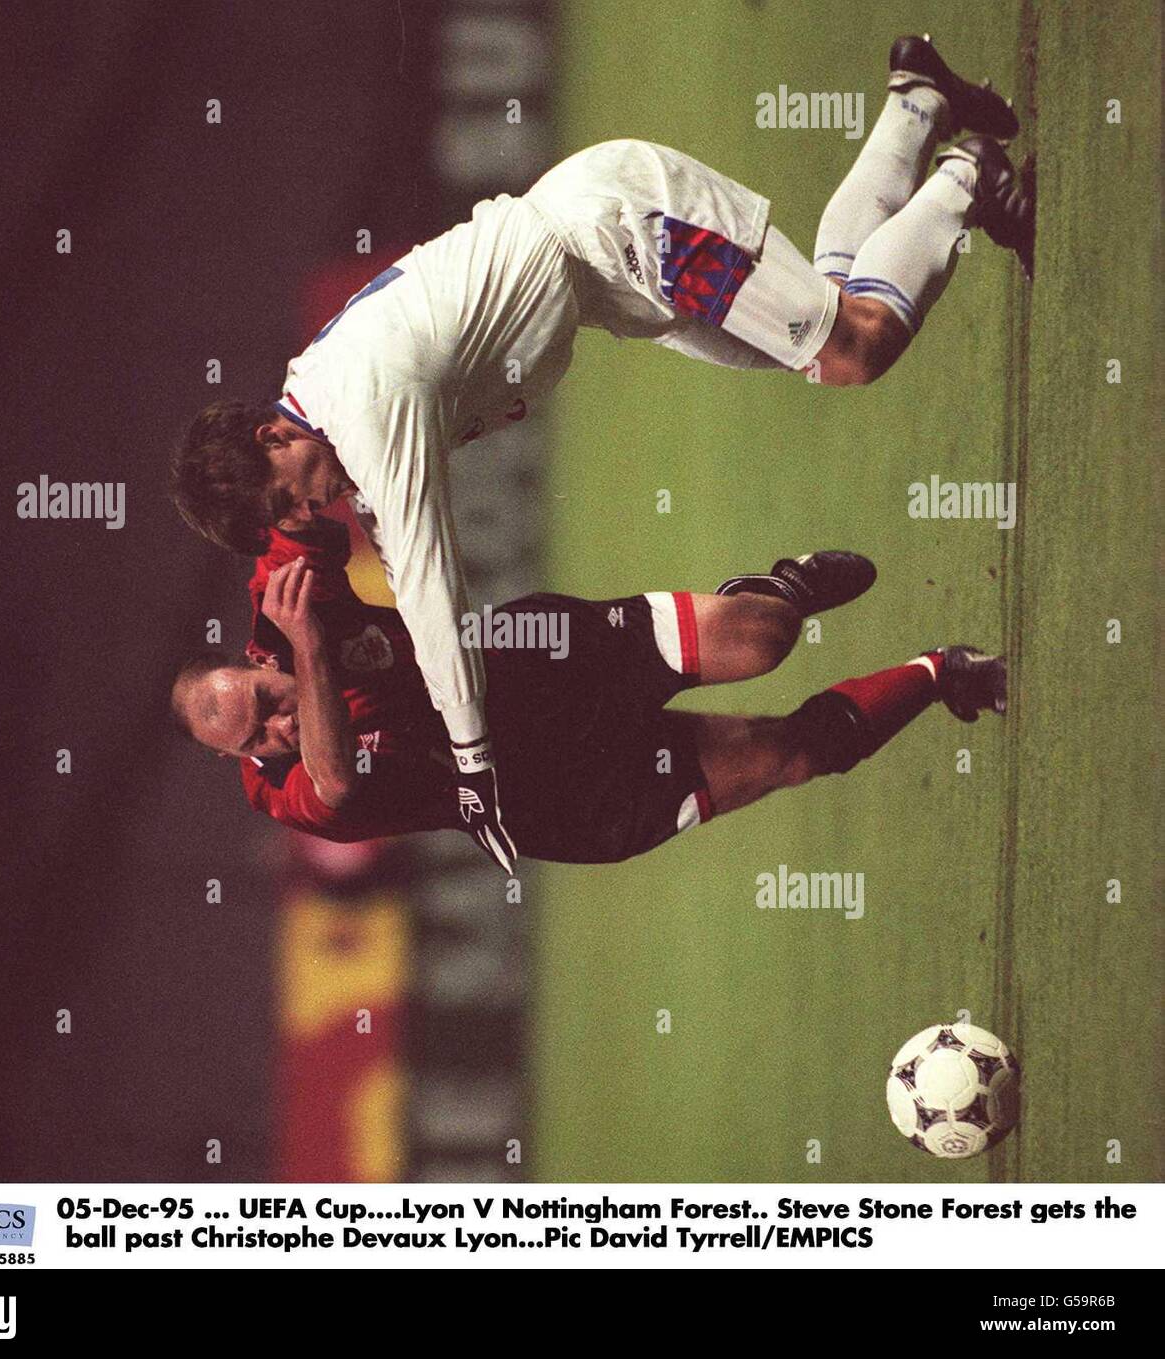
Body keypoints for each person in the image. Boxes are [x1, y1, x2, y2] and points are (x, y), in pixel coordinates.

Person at [170, 36, 1031, 870]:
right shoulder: (316, 414)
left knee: (851, 348)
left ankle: (966, 176)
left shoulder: (362, 412)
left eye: (288, 496)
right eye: (285, 518)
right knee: (833, 328)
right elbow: (334, 768)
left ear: (274, 436)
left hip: (621, 233)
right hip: (607, 280)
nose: (306, 513)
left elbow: (430, 583)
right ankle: (917, 104)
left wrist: (471, 760)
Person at [170, 519, 1006, 866]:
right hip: (558, 797)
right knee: (791, 755)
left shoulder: (278, 597)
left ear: (248, 658)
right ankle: (945, 674)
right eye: (256, 737)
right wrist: (312, 658)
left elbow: (309, 468)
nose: (276, 727)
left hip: (536, 660)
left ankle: (776, 590)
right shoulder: (280, 791)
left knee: (766, 640)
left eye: (265, 700)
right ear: (236, 760)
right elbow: (340, 777)